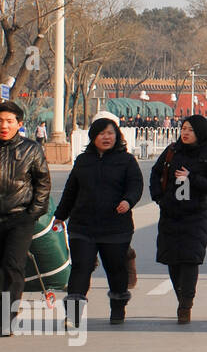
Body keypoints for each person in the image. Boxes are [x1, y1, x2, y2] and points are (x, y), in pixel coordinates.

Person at [53, 117, 142, 327]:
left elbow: (135, 186)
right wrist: (60, 215)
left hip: (115, 226)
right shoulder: (83, 161)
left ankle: (118, 307)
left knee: (116, 268)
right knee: (81, 267)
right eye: (101, 133)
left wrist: (127, 201)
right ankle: (73, 314)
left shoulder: (126, 161)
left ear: (117, 136)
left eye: (110, 133)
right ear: (93, 137)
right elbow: (71, 190)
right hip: (83, 225)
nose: (106, 137)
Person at [0, 101, 51, 335]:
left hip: (20, 218)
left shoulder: (32, 149)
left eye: (10, 121)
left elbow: (43, 183)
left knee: (12, 267)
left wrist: (33, 213)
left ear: (19, 124)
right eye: (0, 121)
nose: (4, 126)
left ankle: (7, 318)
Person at [149, 114, 207, 325]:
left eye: (190, 129)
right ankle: (182, 296)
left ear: (199, 132)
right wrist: (159, 198)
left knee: (190, 259)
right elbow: (155, 173)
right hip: (171, 212)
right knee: (172, 260)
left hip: (195, 214)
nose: (185, 133)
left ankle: (185, 304)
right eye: (183, 129)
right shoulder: (173, 150)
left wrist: (192, 177)